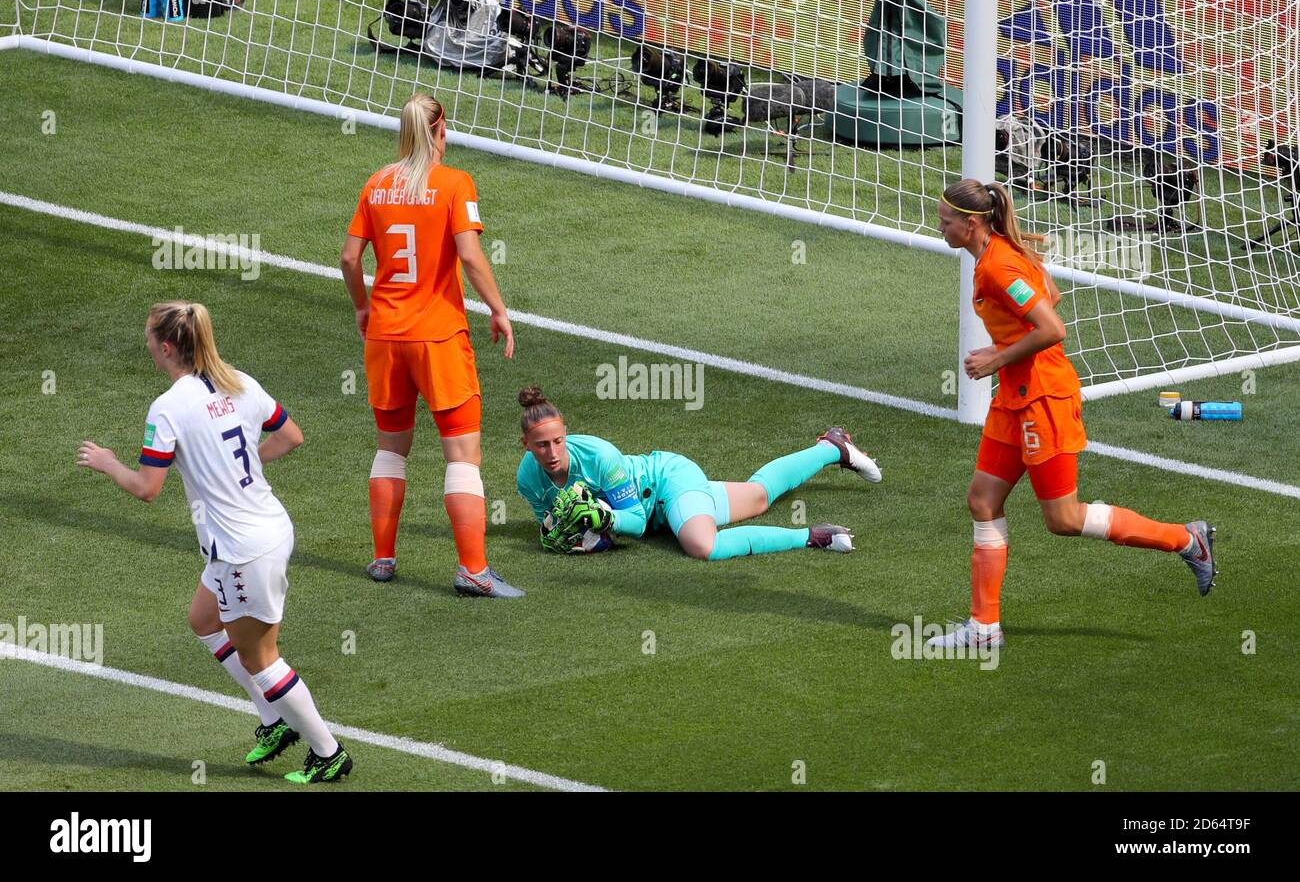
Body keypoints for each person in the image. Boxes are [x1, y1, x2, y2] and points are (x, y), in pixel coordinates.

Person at [933, 179, 1217, 649]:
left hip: (1043, 400)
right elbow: (1049, 294)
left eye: (945, 223)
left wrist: (997, 357)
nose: (939, 229)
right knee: (982, 500)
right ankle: (984, 628)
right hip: (1014, 397)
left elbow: (1053, 327)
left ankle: (1187, 540)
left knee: (1063, 519)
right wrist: (1006, 350)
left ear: (971, 223)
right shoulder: (1000, 253)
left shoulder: (999, 268)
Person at [76, 302, 352, 784]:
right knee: (204, 620)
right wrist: (241, 470)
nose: (145, 345)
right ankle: (274, 721)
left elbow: (147, 489)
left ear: (165, 348)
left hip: (241, 550)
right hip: (266, 527)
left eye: (148, 339)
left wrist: (107, 462)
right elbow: (291, 436)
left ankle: (328, 752)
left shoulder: (168, 408)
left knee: (260, 659)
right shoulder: (238, 381)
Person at [341, 93, 521, 597]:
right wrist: (499, 309)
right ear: (442, 130)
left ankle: (382, 558)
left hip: (385, 337)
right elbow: (470, 254)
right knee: (462, 454)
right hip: (438, 337)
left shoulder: (376, 183)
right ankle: (472, 570)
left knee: (390, 448)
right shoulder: (454, 183)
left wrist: (362, 306)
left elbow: (350, 259)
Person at [515, 386, 881, 560]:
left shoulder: (600, 455)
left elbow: (637, 523)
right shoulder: (526, 479)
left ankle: (812, 536)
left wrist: (604, 518)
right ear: (526, 445)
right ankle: (832, 447)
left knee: (702, 546)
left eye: (558, 441)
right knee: (759, 496)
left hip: (667, 484)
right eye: (541, 445)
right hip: (658, 508)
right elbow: (552, 523)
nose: (552, 452)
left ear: (567, 435)